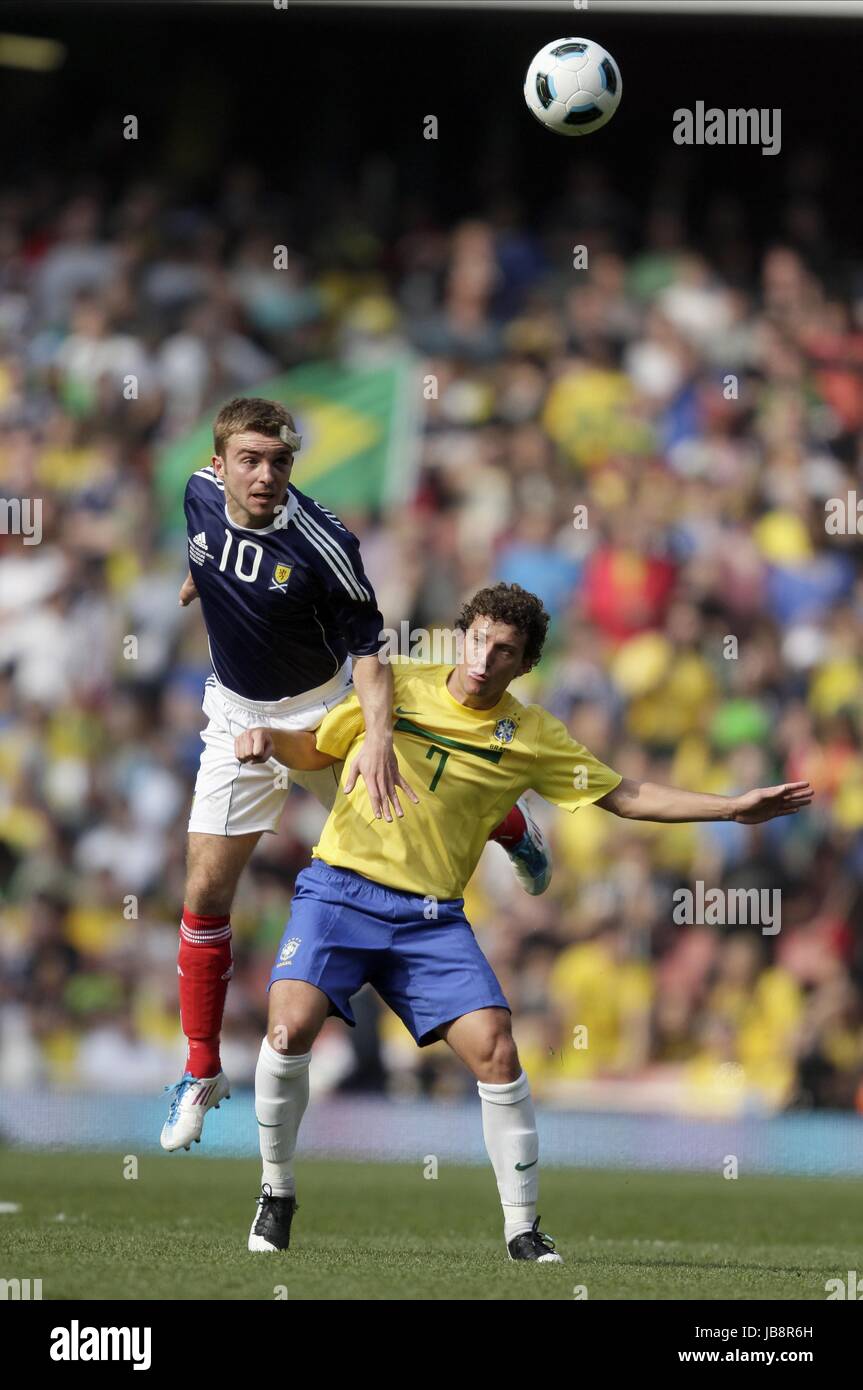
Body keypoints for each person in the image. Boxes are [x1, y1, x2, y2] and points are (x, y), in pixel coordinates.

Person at [234, 583, 812, 1261]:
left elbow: (624, 795)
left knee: (497, 1050)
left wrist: (730, 807)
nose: (484, 658)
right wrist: (270, 739)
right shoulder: (394, 685)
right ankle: (276, 1194)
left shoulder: (532, 735)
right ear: (462, 635)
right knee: (287, 1026)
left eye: (504, 650)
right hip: (340, 889)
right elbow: (318, 751)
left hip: (428, 916)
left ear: (524, 663)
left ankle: (522, 1229)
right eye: (477, 639)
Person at [162, 400, 549, 1152]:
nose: (265, 475)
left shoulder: (325, 545)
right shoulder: (196, 493)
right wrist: (196, 579)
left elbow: (371, 657)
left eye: (279, 461)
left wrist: (374, 737)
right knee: (205, 892)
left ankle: (507, 822)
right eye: (250, 459)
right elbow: (207, 547)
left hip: (325, 713)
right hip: (238, 719)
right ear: (219, 463)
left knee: (413, 829)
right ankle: (202, 1070)